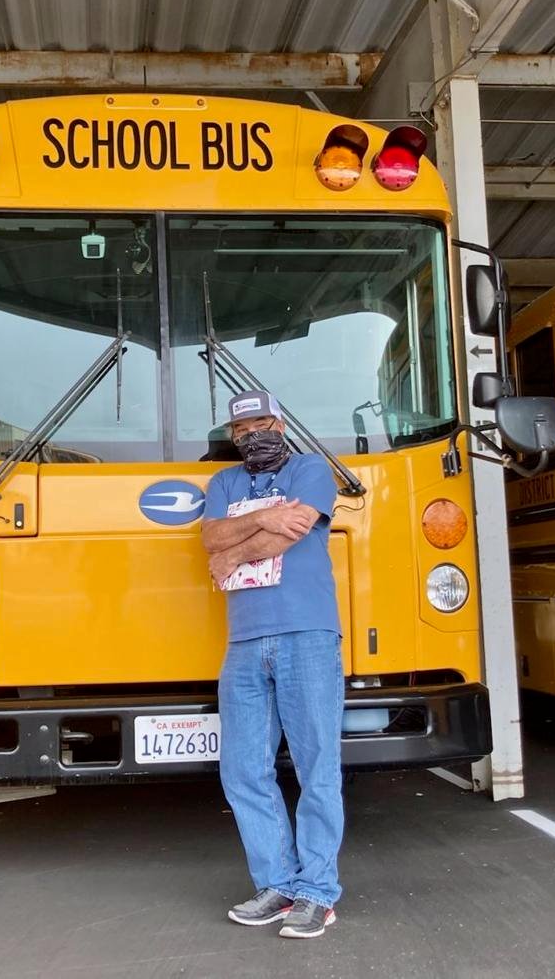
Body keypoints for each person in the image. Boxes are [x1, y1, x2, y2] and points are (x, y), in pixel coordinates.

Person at [201, 389, 344, 940]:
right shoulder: (223, 483)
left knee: (316, 767)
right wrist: (264, 522)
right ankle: (280, 885)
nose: (249, 436)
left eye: (259, 424)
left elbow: (297, 525)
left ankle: (318, 893)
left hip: (307, 633)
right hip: (244, 644)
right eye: (239, 431)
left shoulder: (312, 469)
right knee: (242, 770)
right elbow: (208, 536)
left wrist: (232, 554)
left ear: (279, 423)